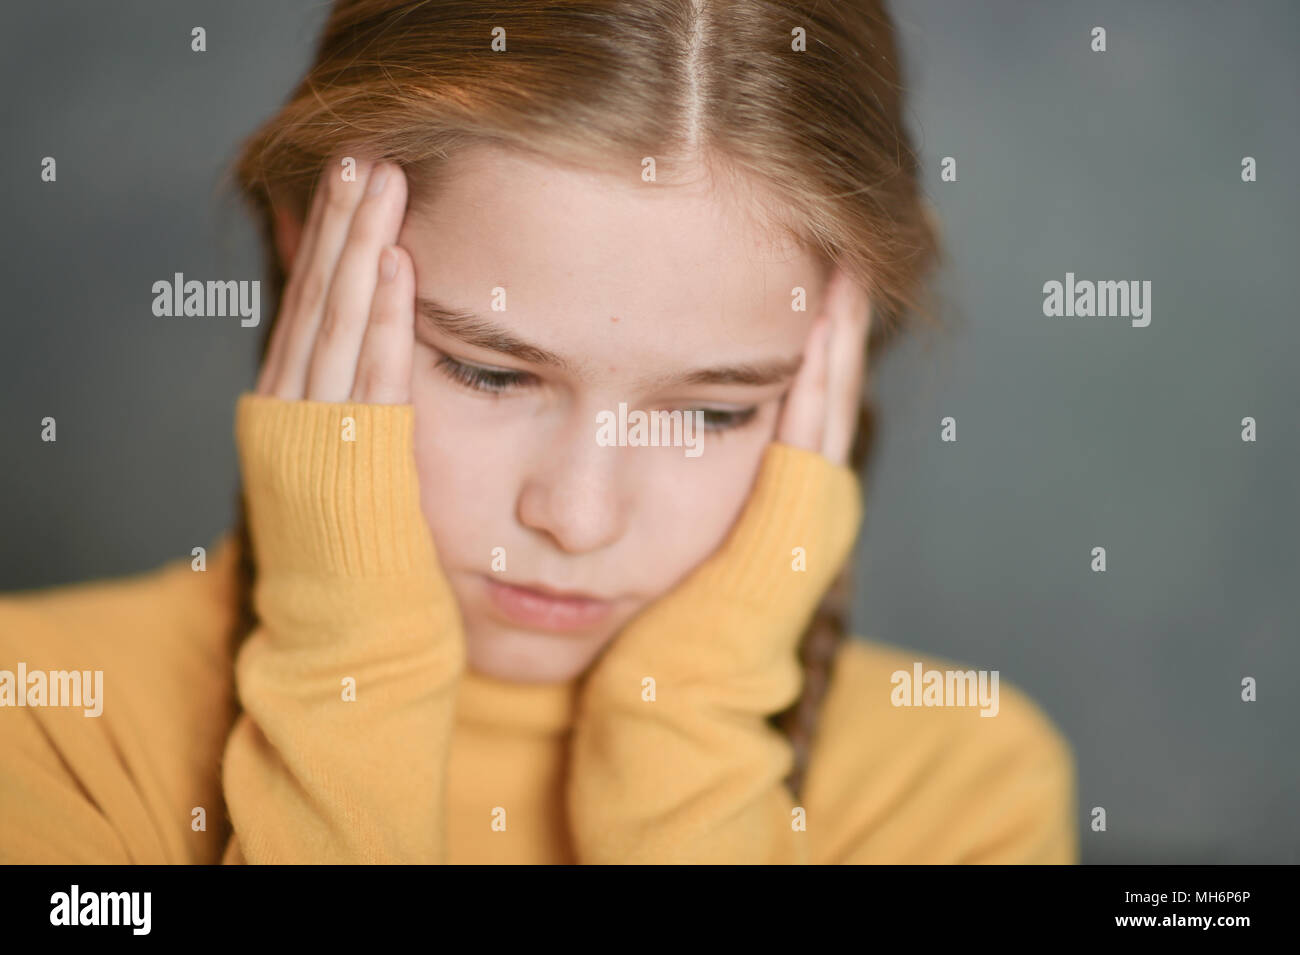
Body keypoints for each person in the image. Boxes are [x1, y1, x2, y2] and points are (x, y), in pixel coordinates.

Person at [0, 0, 1076, 864]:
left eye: (714, 410)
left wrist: (687, 730)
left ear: (837, 363)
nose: (574, 513)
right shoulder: (43, 721)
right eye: (488, 370)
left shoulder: (955, 794)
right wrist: (349, 671)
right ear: (304, 250)